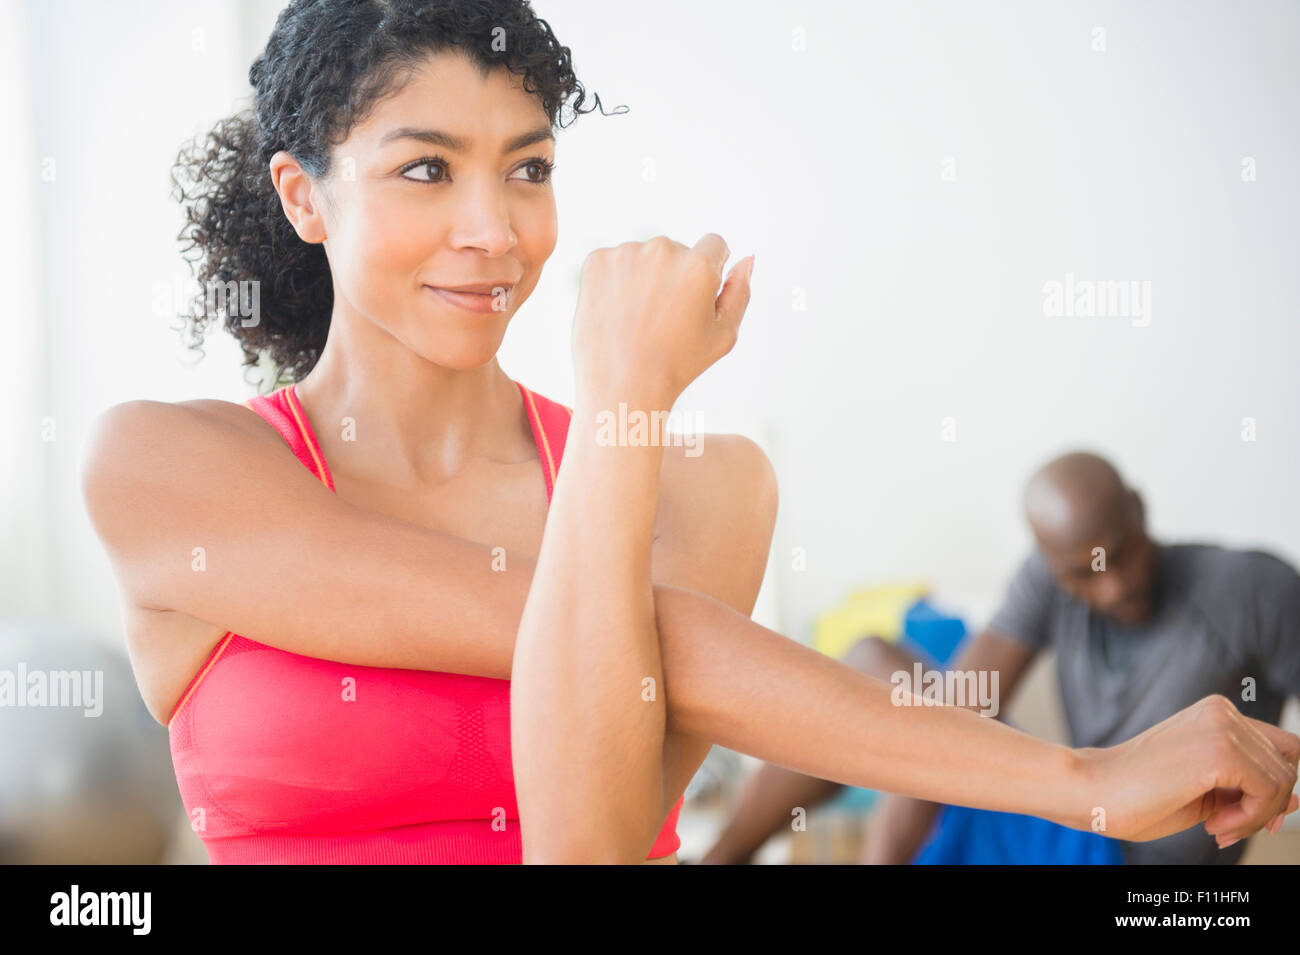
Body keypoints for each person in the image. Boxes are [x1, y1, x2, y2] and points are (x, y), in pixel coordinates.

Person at [79, 0, 1298, 865]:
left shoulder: (706, 490)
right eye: (423, 171)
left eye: (528, 167)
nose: (493, 232)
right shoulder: (170, 469)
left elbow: (590, 848)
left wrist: (619, 428)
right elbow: (613, 631)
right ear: (303, 195)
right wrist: (1081, 781)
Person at [702, 452, 1300, 865]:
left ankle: (722, 858)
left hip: (1125, 858)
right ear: (1048, 561)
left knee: (878, 672)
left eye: (1124, 554)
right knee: (883, 673)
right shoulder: (1047, 578)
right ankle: (722, 858)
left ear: (1140, 511)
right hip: (1071, 822)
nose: (1114, 585)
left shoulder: (1253, 589)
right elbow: (951, 711)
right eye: (1084, 572)